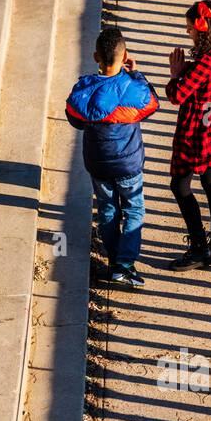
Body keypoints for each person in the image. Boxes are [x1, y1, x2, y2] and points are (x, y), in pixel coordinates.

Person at [66, 25, 159, 287]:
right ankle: (124, 265)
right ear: (125, 54)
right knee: (134, 209)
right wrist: (137, 74)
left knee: (108, 209)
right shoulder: (132, 88)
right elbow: (151, 104)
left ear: (96, 57)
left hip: (97, 163)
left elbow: (75, 119)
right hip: (128, 162)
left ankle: (115, 258)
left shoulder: (83, 89)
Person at [166, 0, 211, 270]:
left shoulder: (205, 61)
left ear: (202, 29)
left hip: (195, 132)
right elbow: (202, 79)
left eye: (190, 28)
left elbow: (179, 95)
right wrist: (187, 70)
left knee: (180, 186)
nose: (188, 33)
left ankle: (198, 247)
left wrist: (175, 76)